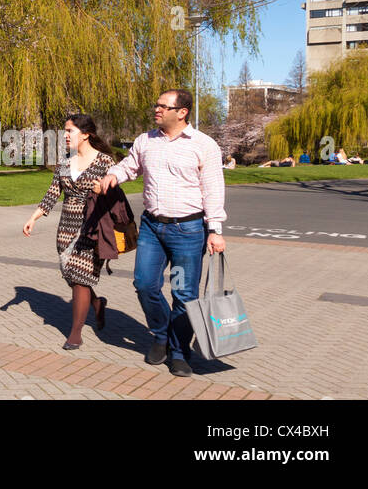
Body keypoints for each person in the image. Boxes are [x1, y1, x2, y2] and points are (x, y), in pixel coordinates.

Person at [93, 88, 226, 378]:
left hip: (188, 231)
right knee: (144, 285)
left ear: (182, 112)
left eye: (163, 106)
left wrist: (215, 229)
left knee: (183, 294)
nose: (157, 110)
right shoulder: (145, 140)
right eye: (156, 105)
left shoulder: (203, 145)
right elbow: (130, 166)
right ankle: (162, 335)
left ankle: (179, 352)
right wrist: (114, 175)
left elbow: (213, 189)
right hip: (152, 228)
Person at [23, 115, 115, 350]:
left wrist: (103, 190)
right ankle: (96, 303)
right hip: (66, 227)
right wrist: (33, 218)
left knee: (81, 280)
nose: (64, 135)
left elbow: (116, 195)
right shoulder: (64, 163)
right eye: (64, 131)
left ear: (85, 134)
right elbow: (52, 193)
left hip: (92, 226)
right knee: (72, 276)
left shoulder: (105, 162)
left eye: (69, 131)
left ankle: (75, 332)